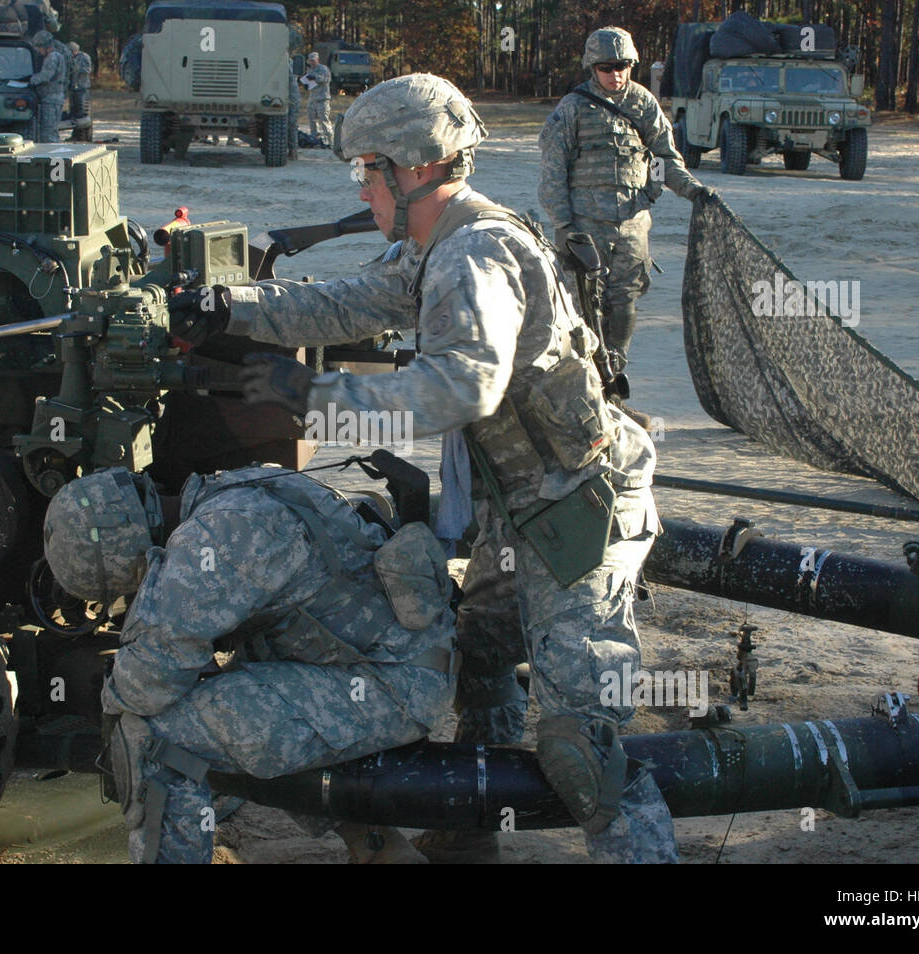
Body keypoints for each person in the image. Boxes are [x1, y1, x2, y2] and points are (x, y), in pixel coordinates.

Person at [167, 73, 679, 864]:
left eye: (365, 170)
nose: (361, 188)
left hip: (581, 506)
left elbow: (463, 386)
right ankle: (471, 840)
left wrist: (316, 391)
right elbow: (347, 302)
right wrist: (228, 307)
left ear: (410, 170)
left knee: (583, 748)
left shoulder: (474, 254)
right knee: (477, 665)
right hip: (522, 507)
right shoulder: (435, 246)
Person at [43, 464, 458, 864]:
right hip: (393, 665)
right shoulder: (235, 489)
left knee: (156, 738)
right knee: (242, 694)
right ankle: (379, 848)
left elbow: (154, 673)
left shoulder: (218, 532)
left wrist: (111, 701)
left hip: (393, 685)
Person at [539, 27, 716, 380]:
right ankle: (583, 382)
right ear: (592, 67)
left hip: (633, 225)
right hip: (585, 227)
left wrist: (694, 190)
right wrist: (565, 226)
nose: (615, 74)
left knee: (624, 301)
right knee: (583, 306)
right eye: (606, 67)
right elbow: (553, 173)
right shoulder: (572, 108)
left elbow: (665, 159)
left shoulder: (643, 104)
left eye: (623, 66)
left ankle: (614, 378)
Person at [28, 30, 66, 143]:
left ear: (45, 46)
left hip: (51, 100)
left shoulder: (52, 58)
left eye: (39, 48)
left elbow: (45, 76)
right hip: (52, 99)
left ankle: (54, 160)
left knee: (49, 135)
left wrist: (31, 79)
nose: (38, 51)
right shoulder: (57, 56)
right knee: (49, 132)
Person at [300, 51, 331, 143]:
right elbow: (309, 81)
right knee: (312, 120)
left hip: (323, 99)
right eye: (310, 61)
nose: (312, 62)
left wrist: (315, 77)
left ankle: (330, 140)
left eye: (313, 61)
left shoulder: (323, 69)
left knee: (324, 120)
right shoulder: (310, 70)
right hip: (313, 98)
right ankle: (315, 139)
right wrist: (306, 84)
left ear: (318, 60)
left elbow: (325, 79)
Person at [67, 40, 91, 140]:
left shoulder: (84, 57)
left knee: (82, 112)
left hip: (82, 88)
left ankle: (83, 136)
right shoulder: (69, 58)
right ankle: (75, 135)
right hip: (73, 88)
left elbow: (88, 69)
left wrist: (77, 70)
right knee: (74, 112)